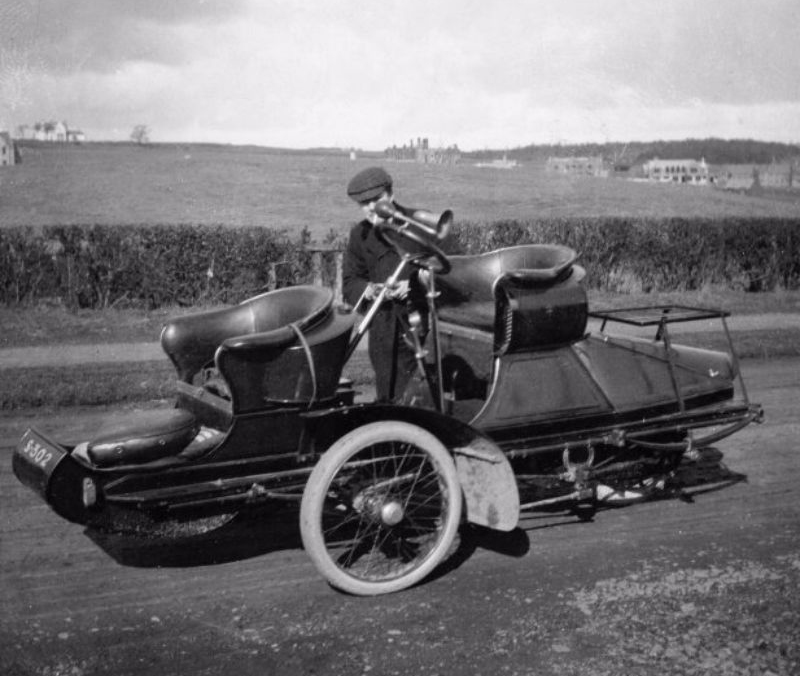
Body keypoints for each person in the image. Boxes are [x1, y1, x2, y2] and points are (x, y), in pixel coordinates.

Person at [342, 166, 451, 403]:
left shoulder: (422, 225)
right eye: (364, 203)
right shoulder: (359, 235)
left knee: (418, 395)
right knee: (387, 393)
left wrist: (413, 286)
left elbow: (452, 269)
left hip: (421, 325)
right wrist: (369, 290)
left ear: (390, 195)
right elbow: (350, 282)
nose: (371, 207)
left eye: (376, 199)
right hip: (382, 327)